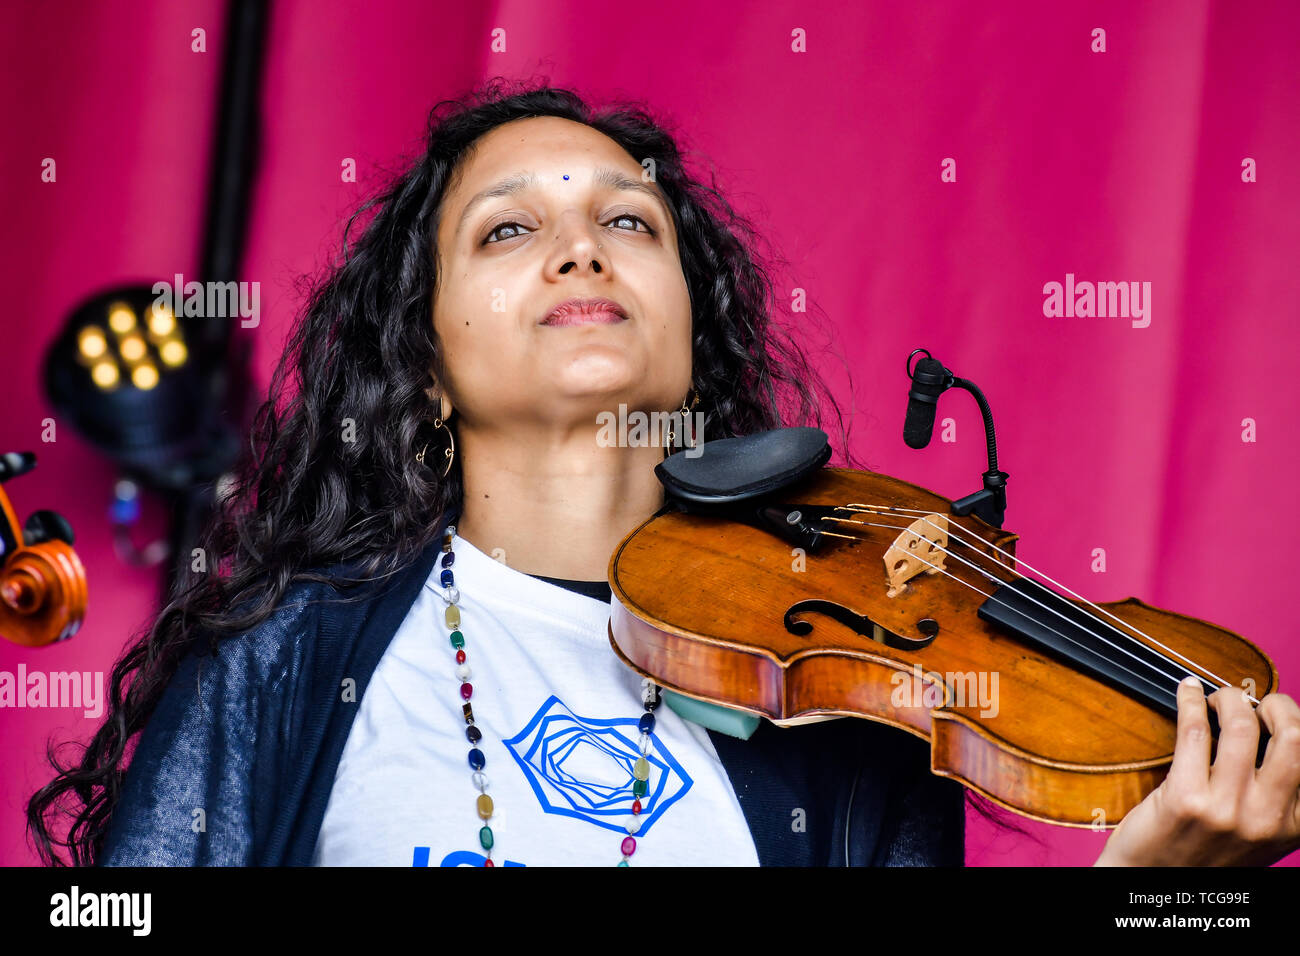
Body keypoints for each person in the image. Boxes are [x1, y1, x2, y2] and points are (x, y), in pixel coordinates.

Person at [27, 81, 1300, 868]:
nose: (582, 251)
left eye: (629, 223)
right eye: (511, 228)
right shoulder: (283, 656)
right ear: (422, 363)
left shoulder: (849, 710)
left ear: (694, 328)